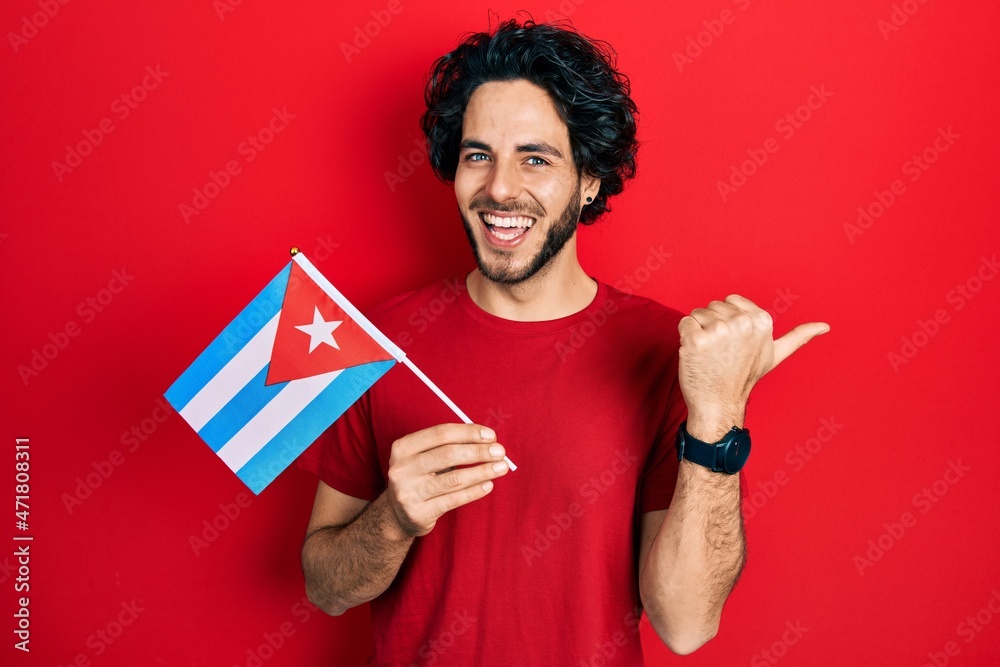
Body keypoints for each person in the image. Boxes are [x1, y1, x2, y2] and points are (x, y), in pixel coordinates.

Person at [299, 18, 828, 665]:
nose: (498, 187)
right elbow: (325, 588)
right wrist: (394, 519)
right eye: (477, 155)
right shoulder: (379, 341)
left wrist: (718, 414)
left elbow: (687, 625)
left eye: (536, 157)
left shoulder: (667, 353)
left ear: (589, 179)